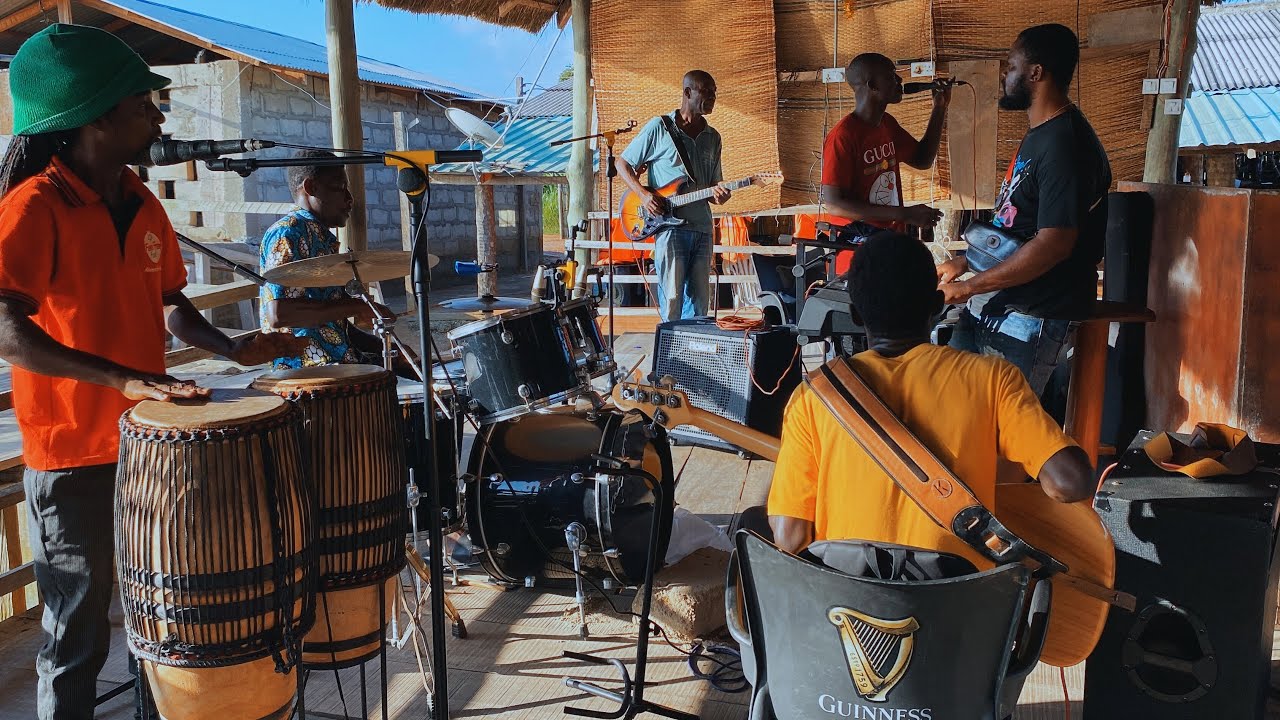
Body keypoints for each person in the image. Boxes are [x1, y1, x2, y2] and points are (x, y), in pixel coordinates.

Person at [0, 24, 303, 719]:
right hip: (71, 455)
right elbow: (7, 333)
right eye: (145, 103)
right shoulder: (32, 209)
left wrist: (232, 347)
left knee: (158, 620)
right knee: (75, 634)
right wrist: (122, 379)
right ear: (98, 114)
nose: (159, 116)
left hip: (148, 444)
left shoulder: (141, 202)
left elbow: (172, 305)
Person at [766, 232, 1093, 562]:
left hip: (850, 607)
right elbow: (1070, 483)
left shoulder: (815, 395)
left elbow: (789, 538)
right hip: (959, 603)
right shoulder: (992, 379)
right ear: (938, 306)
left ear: (855, 316)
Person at [937, 24, 1112, 395]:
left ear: (1036, 73)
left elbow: (1053, 243)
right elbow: (1018, 225)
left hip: (1033, 313)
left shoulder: (1065, 145)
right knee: (956, 412)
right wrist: (969, 262)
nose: (1004, 74)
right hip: (997, 300)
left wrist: (970, 286)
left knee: (1001, 436)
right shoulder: (1041, 133)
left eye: (1011, 65)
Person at [259, 151, 409, 372]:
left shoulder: (319, 235)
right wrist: (356, 306)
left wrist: (393, 349)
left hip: (338, 361)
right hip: (308, 370)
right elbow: (279, 315)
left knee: (420, 370)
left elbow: (333, 327)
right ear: (310, 188)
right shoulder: (289, 232)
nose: (350, 198)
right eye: (339, 187)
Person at [819, 53, 949, 275]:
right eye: (892, 76)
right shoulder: (843, 136)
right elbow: (833, 204)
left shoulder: (887, 124)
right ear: (872, 85)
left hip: (887, 243)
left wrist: (940, 107)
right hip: (858, 253)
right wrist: (905, 214)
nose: (900, 81)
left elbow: (922, 159)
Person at [617, 70, 730, 321]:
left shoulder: (714, 137)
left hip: (702, 227)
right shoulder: (660, 127)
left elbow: (713, 185)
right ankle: (670, 356)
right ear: (687, 92)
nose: (712, 97)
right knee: (671, 299)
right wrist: (644, 195)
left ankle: (691, 355)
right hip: (670, 230)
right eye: (707, 91)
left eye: (714, 93)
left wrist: (720, 194)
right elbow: (622, 164)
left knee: (700, 303)